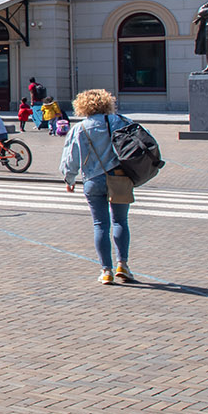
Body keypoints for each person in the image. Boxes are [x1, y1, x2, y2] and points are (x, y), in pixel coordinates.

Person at [60, 88, 136, 285]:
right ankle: (123, 265)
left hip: (93, 179)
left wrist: (69, 179)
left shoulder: (80, 128)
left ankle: (106, 271)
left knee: (100, 224)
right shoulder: (120, 121)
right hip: (119, 176)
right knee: (120, 221)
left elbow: (71, 157)